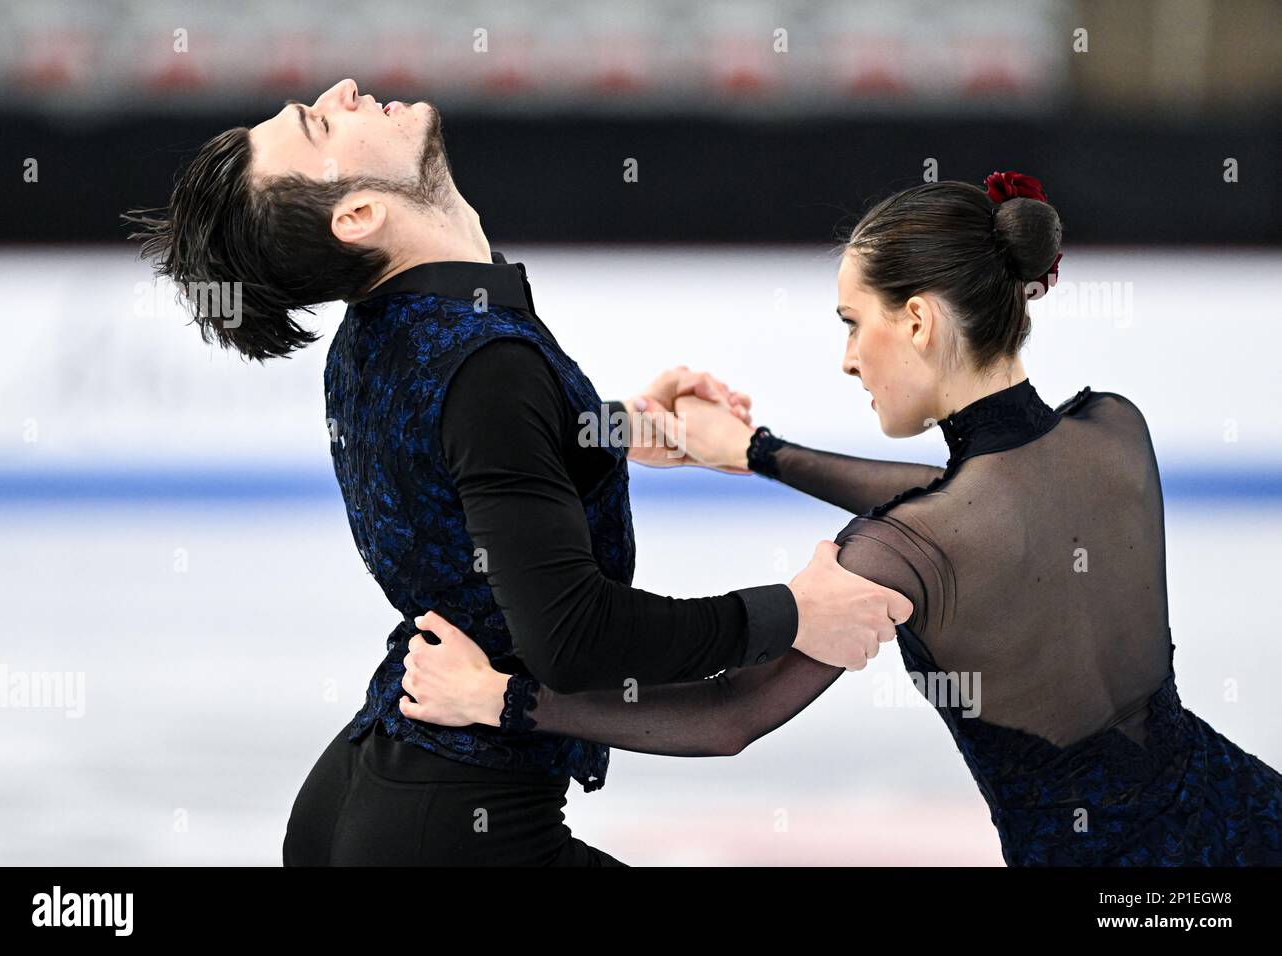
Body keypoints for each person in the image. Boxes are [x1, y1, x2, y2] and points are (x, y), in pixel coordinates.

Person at [123, 78, 910, 866]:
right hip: (454, 828)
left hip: (374, 797)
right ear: (359, 216)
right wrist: (791, 613)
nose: (344, 89)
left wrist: (607, 428)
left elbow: (450, 466)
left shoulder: (378, 334)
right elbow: (575, 638)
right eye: (322, 122)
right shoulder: (484, 359)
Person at [399, 172, 1282, 866]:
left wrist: (505, 700)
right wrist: (755, 452)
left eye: (855, 324)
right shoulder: (1116, 429)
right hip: (1249, 817)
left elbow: (729, 717)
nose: (848, 359)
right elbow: (989, 500)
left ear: (920, 321)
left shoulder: (905, 550)